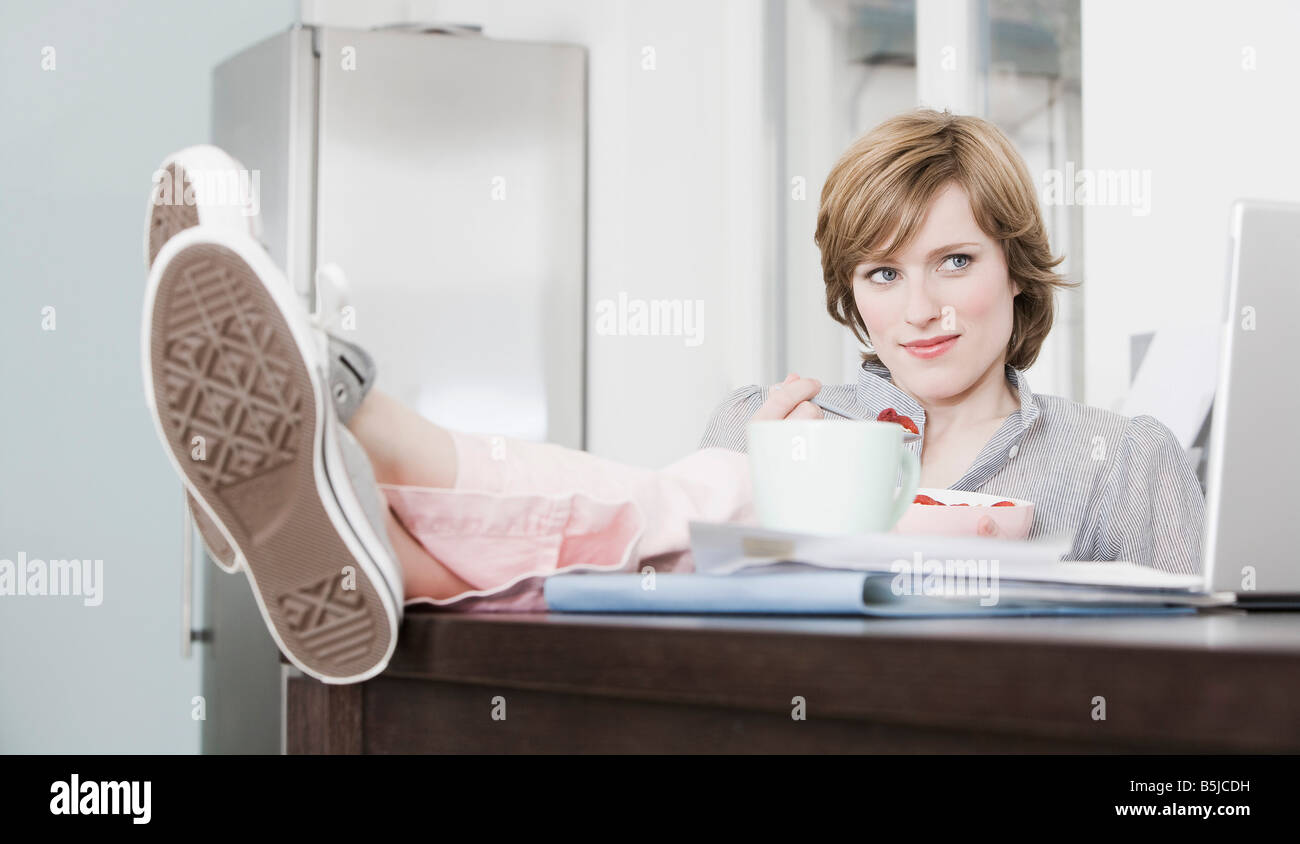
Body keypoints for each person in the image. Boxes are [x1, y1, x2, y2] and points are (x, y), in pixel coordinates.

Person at [141, 110, 1205, 684]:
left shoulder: (1121, 458)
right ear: (849, 296)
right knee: (636, 524)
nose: (919, 307)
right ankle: (342, 454)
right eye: (882, 274)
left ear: (1016, 266)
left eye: (954, 261)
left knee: (638, 513)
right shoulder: (781, 423)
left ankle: (344, 430)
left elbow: (1196, 717)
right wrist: (760, 478)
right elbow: (658, 641)